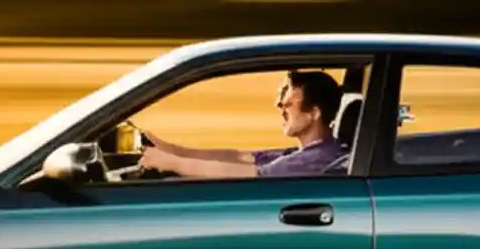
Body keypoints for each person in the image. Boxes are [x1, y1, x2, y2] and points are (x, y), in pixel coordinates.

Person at [137, 70, 347, 178]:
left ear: (314, 113)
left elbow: (245, 173)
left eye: (289, 102)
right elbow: (239, 158)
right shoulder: (306, 152)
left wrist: (172, 163)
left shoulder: (314, 160)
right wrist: (172, 150)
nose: (279, 104)